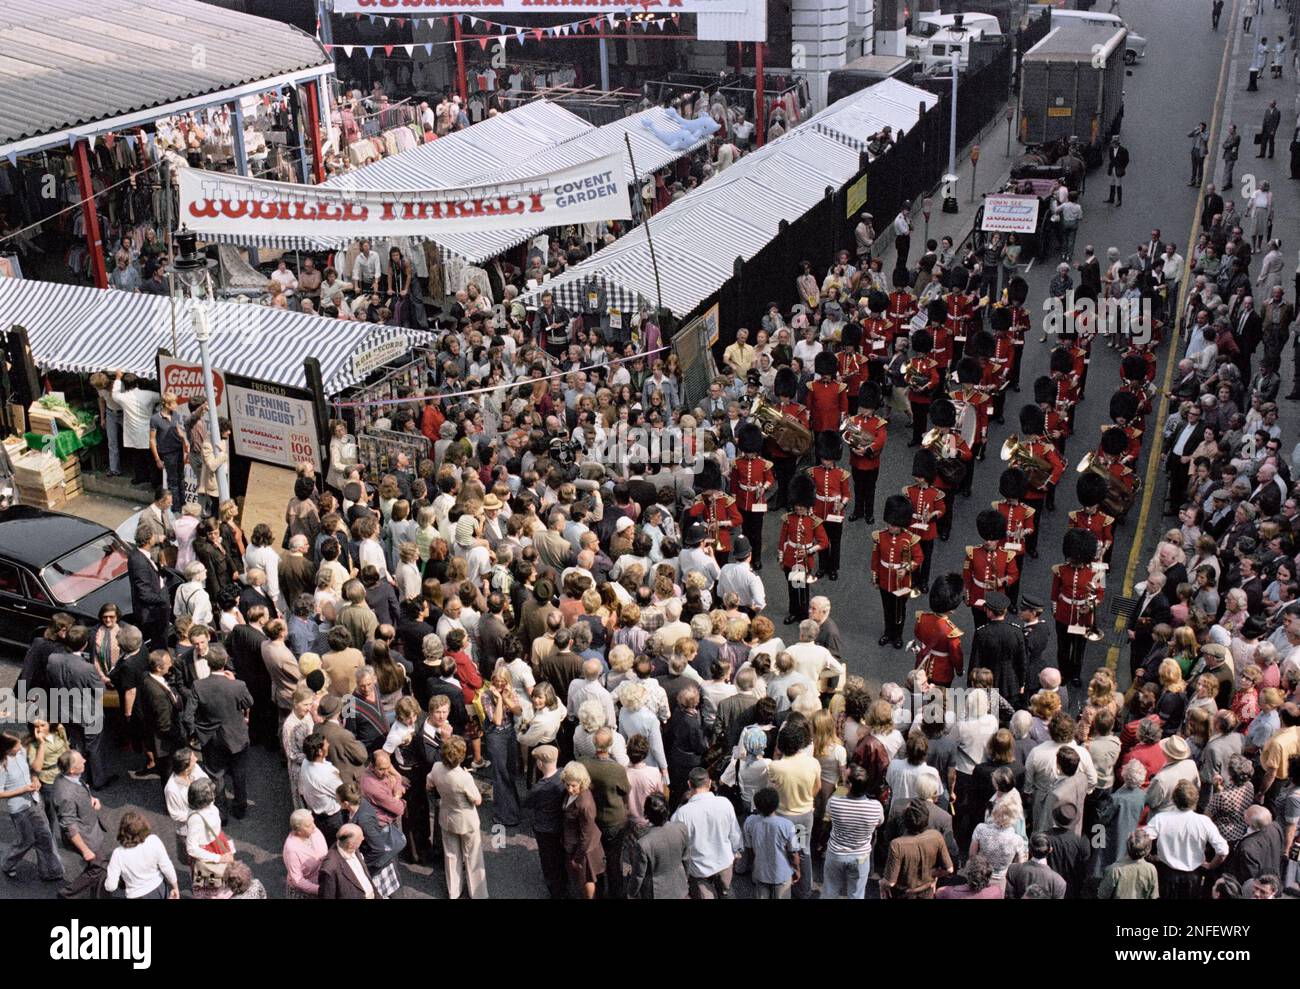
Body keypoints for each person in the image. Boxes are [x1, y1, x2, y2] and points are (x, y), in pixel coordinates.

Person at [426, 735, 487, 899]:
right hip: (466, 820)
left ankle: (454, 891)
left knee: (451, 856)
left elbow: (429, 783)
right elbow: (477, 800)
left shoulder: (436, 767)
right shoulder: (464, 777)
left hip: (447, 817)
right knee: (472, 856)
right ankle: (478, 893)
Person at [0, 731, 63, 883]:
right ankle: (8, 864)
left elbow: (32, 770)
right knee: (26, 841)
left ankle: (50, 871)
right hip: (19, 810)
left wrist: (35, 780)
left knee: (45, 836)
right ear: (7, 749)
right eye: (16, 745)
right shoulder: (2, 766)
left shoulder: (21, 752)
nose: (20, 746)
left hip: (34, 801)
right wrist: (23, 790)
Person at [672, 766, 744, 899]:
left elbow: (676, 839)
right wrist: (737, 851)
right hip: (724, 862)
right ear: (709, 782)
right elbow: (734, 832)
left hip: (699, 868)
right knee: (726, 892)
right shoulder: (725, 803)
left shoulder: (682, 813)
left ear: (689, 784)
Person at [822, 765, 885, 899]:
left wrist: (840, 791)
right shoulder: (876, 807)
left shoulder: (834, 802)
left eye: (845, 781)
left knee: (830, 891)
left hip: (836, 853)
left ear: (849, 786)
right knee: (856, 894)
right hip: (861, 856)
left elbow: (828, 817)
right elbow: (879, 823)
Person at [103, 811, 179, 899]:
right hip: (158, 888)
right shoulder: (154, 840)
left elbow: (111, 886)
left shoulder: (118, 854)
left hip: (136, 895)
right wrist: (175, 887)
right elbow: (167, 867)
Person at [741, 786, 801, 898]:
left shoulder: (749, 822)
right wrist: (797, 869)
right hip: (782, 873)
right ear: (776, 805)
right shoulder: (787, 825)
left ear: (757, 806)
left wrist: (753, 864)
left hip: (760, 871)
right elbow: (793, 853)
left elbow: (749, 849)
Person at [561, 760, 604, 899]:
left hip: (583, 850)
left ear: (582, 782)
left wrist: (577, 858)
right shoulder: (574, 794)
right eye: (567, 784)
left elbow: (586, 835)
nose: (569, 789)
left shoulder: (585, 805)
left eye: (573, 785)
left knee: (587, 879)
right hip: (575, 844)